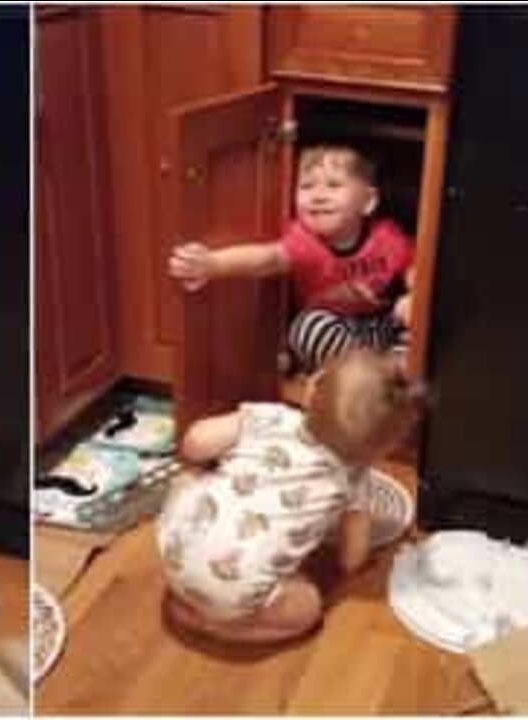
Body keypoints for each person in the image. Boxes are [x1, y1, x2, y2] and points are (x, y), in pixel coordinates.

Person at [156, 348, 426, 642]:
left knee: (189, 477)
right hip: (233, 596)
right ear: (377, 454)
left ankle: (192, 594)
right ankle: (220, 626)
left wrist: (206, 465)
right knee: (309, 609)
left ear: (312, 388)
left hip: (173, 554)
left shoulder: (268, 417)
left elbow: (195, 441)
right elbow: (351, 560)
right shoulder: (354, 481)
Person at [169, 144, 414, 372]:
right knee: (306, 328)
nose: (318, 196)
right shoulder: (304, 241)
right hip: (333, 331)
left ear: (368, 201)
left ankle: (385, 367)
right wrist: (213, 264)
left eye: (333, 185)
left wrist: (414, 297)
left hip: (381, 324)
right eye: (307, 186)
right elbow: (267, 258)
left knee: (414, 316)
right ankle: (369, 373)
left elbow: (417, 266)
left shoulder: (388, 237)